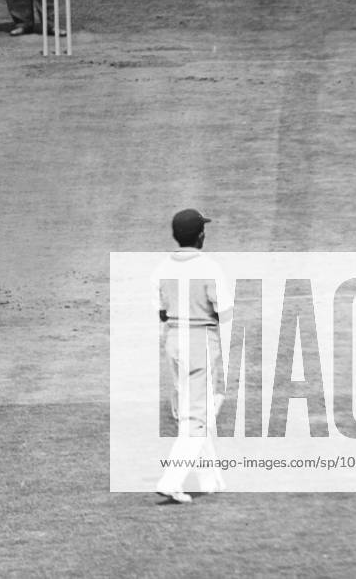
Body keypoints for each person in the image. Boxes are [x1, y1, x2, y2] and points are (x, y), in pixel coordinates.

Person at [149, 209, 233, 503]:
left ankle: (211, 480)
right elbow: (224, 311)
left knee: (196, 411)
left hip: (174, 339)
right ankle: (171, 480)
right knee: (198, 416)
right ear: (201, 236)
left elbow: (161, 311)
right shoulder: (209, 267)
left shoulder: (162, 268)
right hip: (200, 341)